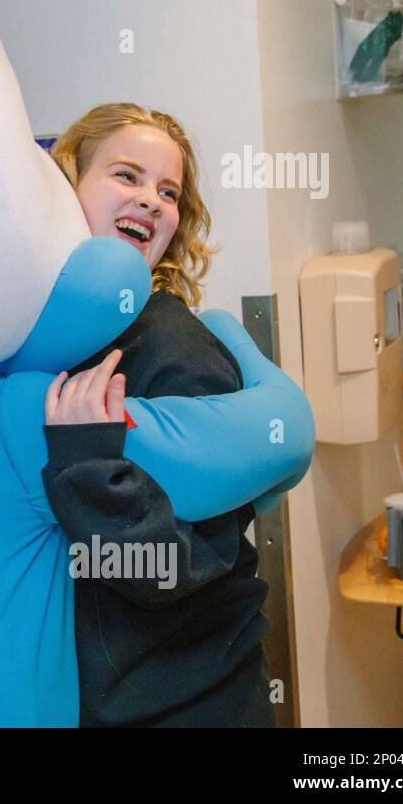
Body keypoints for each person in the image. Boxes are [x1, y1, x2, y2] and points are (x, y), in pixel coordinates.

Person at [43, 102, 274, 726]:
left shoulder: (177, 352)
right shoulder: (41, 338)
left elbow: (171, 570)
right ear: (62, 189)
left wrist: (88, 466)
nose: (150, 200)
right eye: (127, 176)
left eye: (168, 191)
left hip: (186, 705)